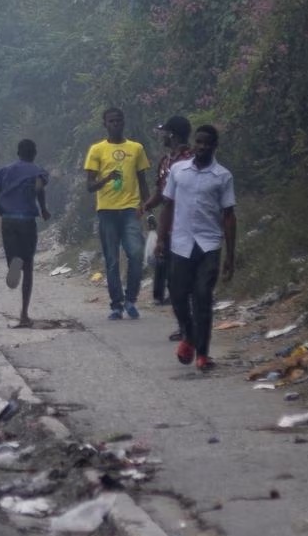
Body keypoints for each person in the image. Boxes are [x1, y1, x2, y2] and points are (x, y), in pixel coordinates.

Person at [159, 124, 237, 372]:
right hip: (180, 243)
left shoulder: (222, 176)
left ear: (215, 146)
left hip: (209, 244)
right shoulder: (178, 170)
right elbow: (168, 206)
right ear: (194, 143)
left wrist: (231, 255)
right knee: (179, 295)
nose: (202, 147)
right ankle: (189, 336)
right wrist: (161, 239)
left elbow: (228, 215)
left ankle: (202, 354)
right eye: (199, 142)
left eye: (207, 143)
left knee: (203, 296)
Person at [83, 107, 152, 321]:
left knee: (136, 254)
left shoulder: (136, 148)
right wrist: (108, 178)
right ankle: (116, 304)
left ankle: (131, 299)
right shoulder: (97, 150)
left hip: (131, 210)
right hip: (107, 211)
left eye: (119, 120)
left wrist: (147, 208)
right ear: (105, 124)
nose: (116, 124)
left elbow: (142, 182)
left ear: (124, 122)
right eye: (111, 121)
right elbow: (90, 186)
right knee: (112, 260)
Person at [0, 140, 51, 327]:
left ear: (18, 153)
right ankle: (24, 314)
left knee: (14, 259)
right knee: (29, 267)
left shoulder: (5, 171)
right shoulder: (38, 171)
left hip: (9, 220)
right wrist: (44, 209)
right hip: (27, 221)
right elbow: (39, 189)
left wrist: (4, 212)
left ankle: (14, 265)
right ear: (34, 153)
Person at [147, 115, 194, 327]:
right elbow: (161, 193)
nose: (162, 136)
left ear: (172, 135)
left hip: (189, 226)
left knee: (184, 280)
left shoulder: (190, 161)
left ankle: (188, 327)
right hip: (170, 226)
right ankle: (184, 326)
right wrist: (145, 207)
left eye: (165, 132)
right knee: (174, 280)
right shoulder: (166, 161)